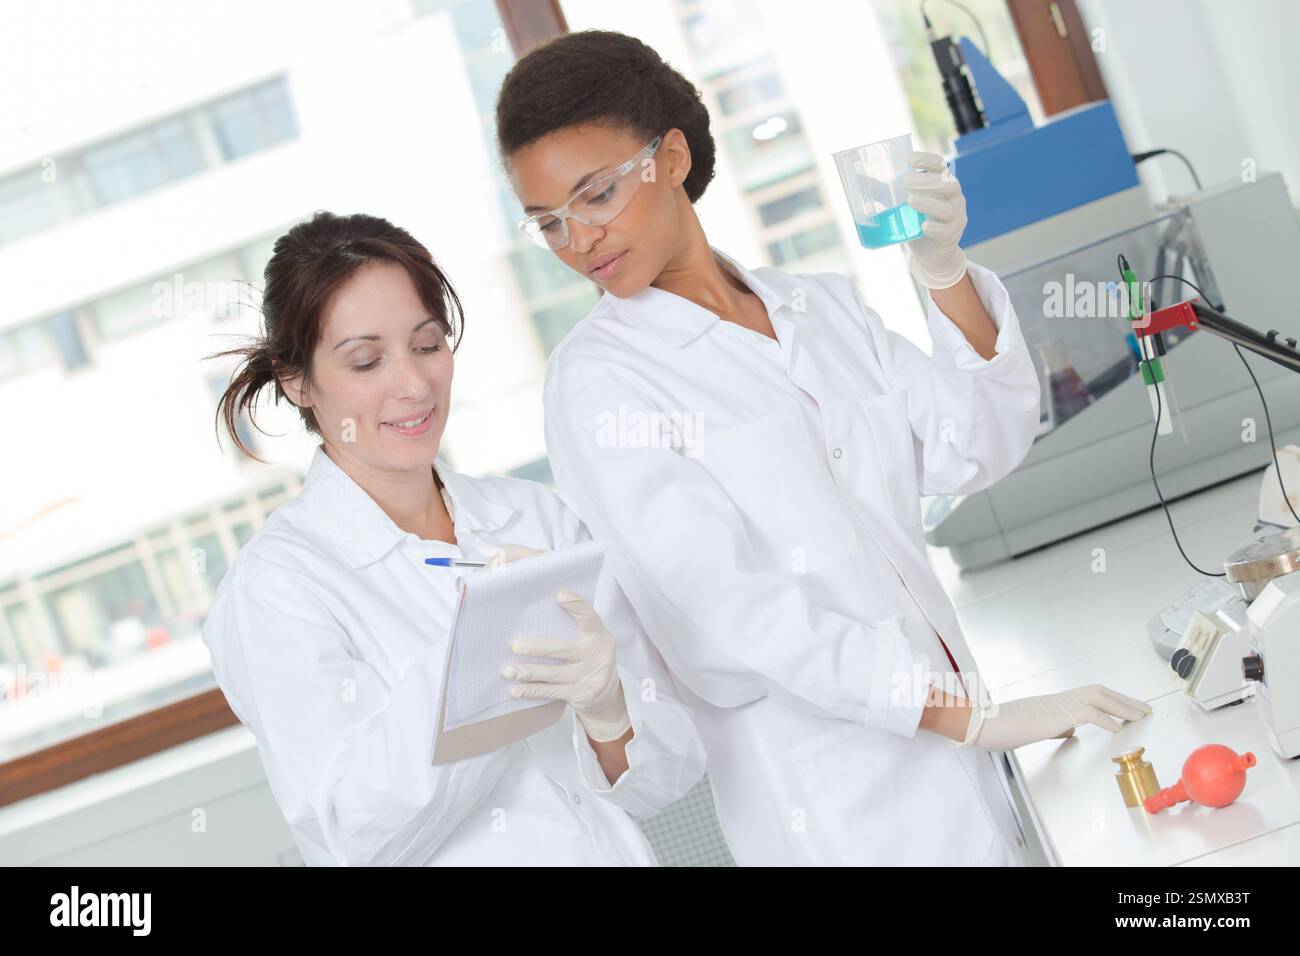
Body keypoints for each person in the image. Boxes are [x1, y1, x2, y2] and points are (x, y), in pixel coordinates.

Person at [495, 30, 1150, 866]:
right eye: (549, 223)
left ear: (668, 156)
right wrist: (964, 717)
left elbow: (970, 447)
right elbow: (725, 615)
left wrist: (943, 269)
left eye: (596, 195)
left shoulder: (817, 307)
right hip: (837, 807)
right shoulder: (597, 384)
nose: (579, 241)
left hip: (971, 764)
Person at [201, 211, 705, 866]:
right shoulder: (279, 589)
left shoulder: (531, 517)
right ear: (296, 379)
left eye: (428, 345)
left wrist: (610, 713)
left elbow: (665, 777)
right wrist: (487, 658)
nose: (412, 386)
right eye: (365, 360)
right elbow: (354, 833)